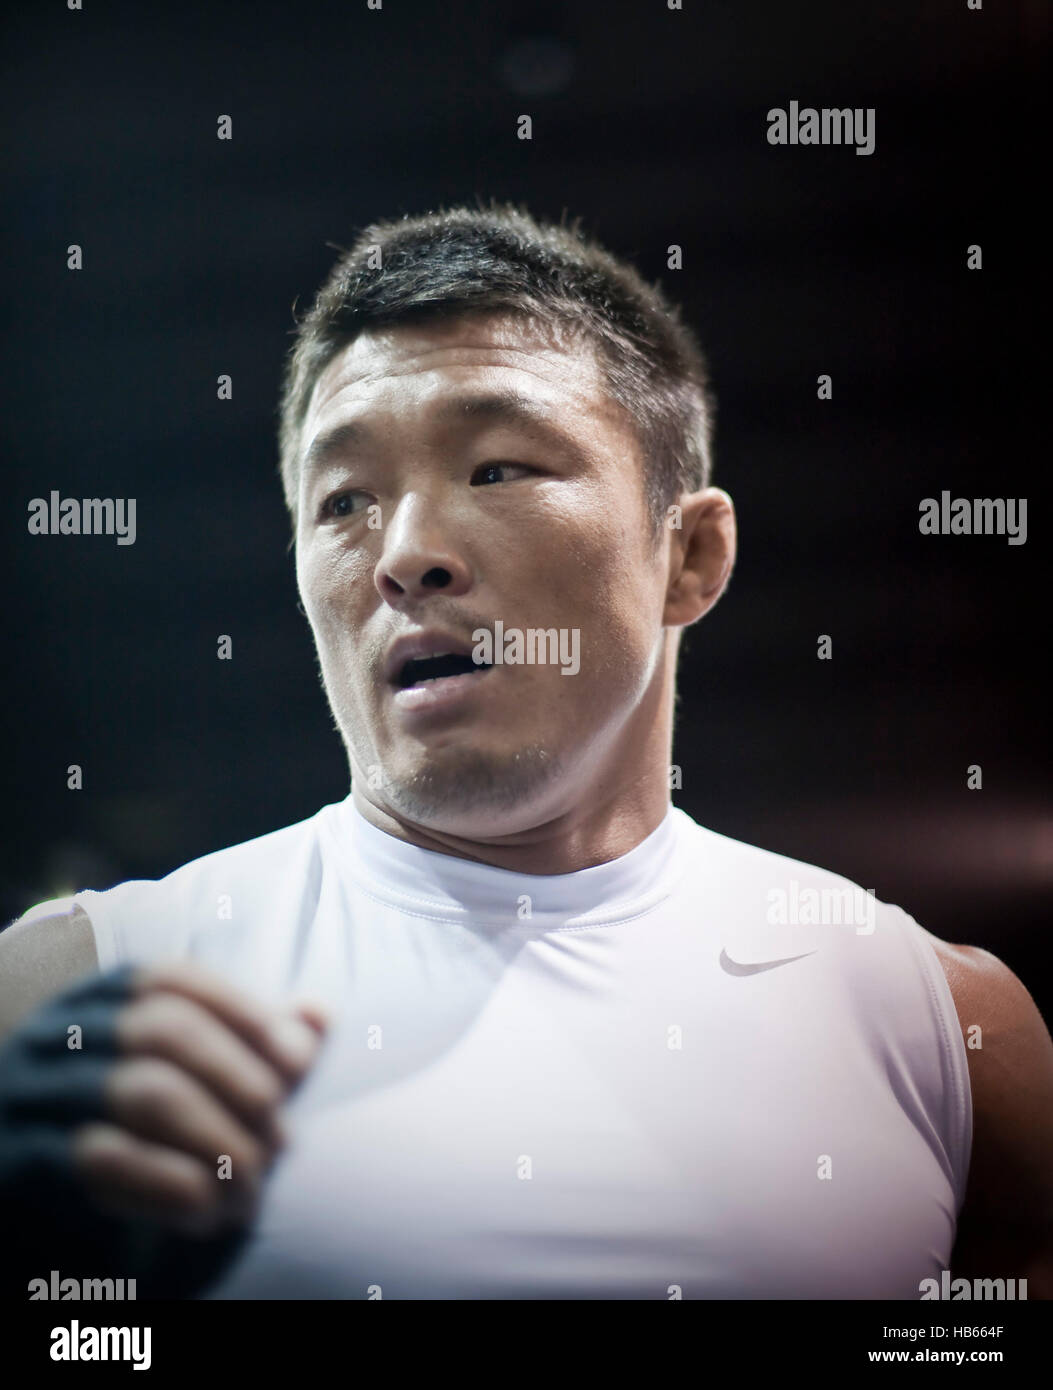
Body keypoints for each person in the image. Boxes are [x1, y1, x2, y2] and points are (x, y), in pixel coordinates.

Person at [2, 203, 1051, 1299]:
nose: (404, 555)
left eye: (498, 468)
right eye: (345, 500)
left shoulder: (952, 1027)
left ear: (687, 555)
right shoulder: (75, 991)